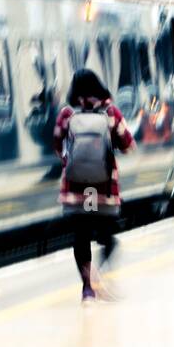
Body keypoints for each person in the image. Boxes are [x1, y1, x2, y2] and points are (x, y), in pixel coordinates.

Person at [53, 68, 134, 303]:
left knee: (81, 236)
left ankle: (87, 288)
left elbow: (58, 145)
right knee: (108, 237)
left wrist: (73, 161)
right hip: (103, 190)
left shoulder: (66, 114)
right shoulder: (111, 113)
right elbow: (128, 144)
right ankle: (99, 274)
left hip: (77, 191)